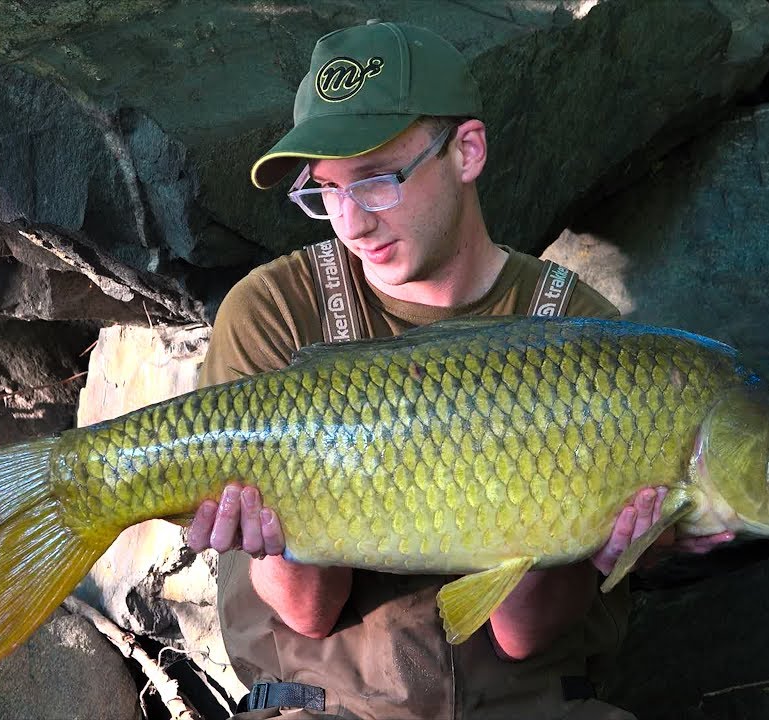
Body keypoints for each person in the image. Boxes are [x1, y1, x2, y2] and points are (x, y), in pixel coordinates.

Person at [186, 20, 731, 719]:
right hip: (326, 707)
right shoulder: (275, 311)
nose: (351, 223)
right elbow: (306, 614)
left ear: (467, 151)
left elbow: (521, 636)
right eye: (324, 191)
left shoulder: (578, 332)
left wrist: (602, 542)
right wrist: (277, 534)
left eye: (376, 181)